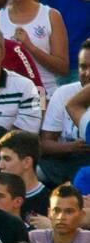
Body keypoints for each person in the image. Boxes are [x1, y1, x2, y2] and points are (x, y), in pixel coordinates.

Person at [0, 0, 68, 96]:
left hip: (43, 92)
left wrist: (29, 46)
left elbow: (62, 68)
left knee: (38, 115)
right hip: (7, 95)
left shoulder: (51, 15)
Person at [39, 40, 90, 186]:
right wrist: (71, 147)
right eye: (83, 67)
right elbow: (44, 144)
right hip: (63, 163)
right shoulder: (63, 93)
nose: (87, 73)